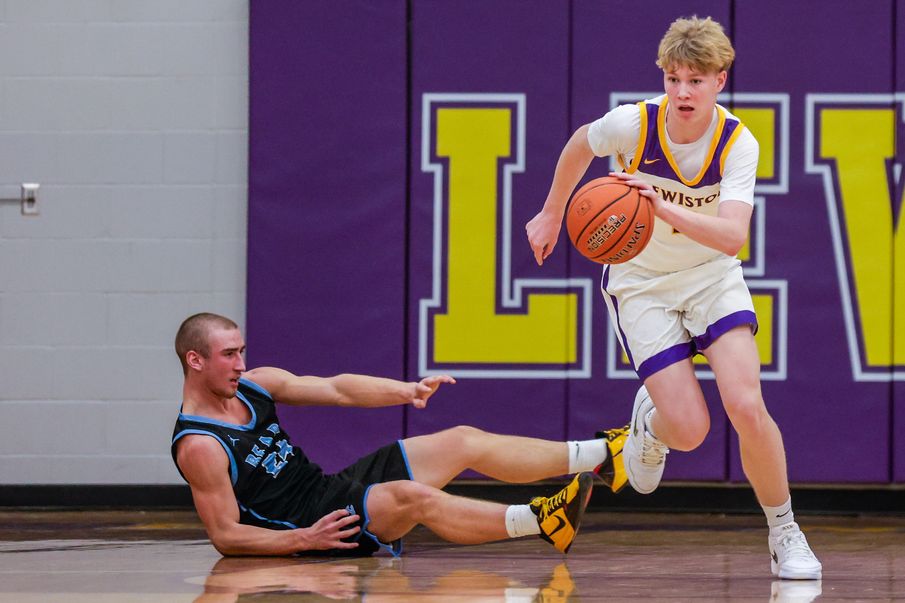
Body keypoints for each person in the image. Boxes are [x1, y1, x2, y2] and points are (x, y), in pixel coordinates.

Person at [525, 16, 821, 579]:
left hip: (711, 275)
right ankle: (649, 426)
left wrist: (661, 206)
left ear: (720, 80)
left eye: (696, 80)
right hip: (641, 283)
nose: (683, 92)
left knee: (747, 405)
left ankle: (785, 532)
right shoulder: (632, 124)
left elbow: (733, 236)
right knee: (689, 431)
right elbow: (580, 144)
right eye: (673, 79)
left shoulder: (737, 143)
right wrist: (552, 212)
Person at [171, 312, 628, 557]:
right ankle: (543, 521)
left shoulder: (254, 386)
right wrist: (304, 539)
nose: (240, 364)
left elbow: (337, 389)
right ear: (195, 360)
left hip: (329, 489)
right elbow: (226, 535)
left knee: (462, 439)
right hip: (315, 524)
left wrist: (407, 391)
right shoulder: (200, 445)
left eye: (241, 352)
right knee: (414, 498)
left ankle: (604, 456)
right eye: (228, 355)